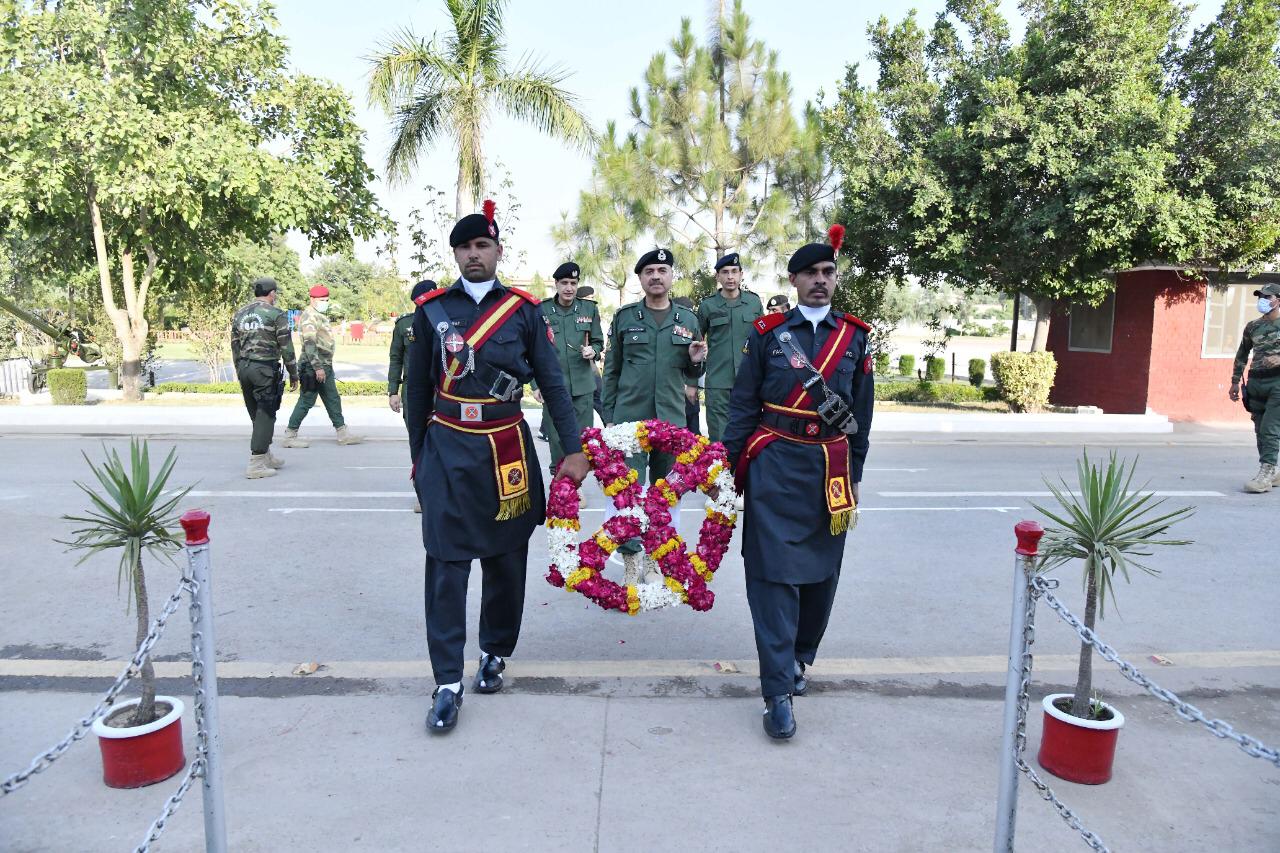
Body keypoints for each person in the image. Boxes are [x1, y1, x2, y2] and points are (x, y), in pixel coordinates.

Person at [403, 201, 589, 734]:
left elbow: (553, 384)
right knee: (445, 567)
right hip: (447, 446)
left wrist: (571, 448)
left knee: (506, 564)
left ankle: (495, 652)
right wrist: (419, 457)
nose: (473, 254)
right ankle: (446, 681)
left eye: (482, 245)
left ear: (498, 250)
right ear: (456, 254)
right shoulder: (432, 311)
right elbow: (417, 389)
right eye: (464, 247)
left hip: (506, 447)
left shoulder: (524, 312)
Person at [722, 226, 873, 739]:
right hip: (773, 463)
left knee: (821, 576)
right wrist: (729, 466)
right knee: (771, 576)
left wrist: (854, 475)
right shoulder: (767, 335)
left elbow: (862, 420)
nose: (821, 280)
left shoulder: (855, 337)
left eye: (828, 272)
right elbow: (743, 403)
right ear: (793, 279)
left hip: (830, 469)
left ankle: (800, 657)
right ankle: (777, 691)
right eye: (810, 272)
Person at [602, 248, 707, 582]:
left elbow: (693, 372)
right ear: (641, 279)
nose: (656, 276)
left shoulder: (688, 321)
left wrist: (694, 360)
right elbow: (611, 370)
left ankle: (655, 556)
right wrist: (609, 415)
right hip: (630, 418)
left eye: (663, 270)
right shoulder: (625, 317)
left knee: (666, 492)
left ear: (671, 276)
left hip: (671, 420)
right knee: (628, 491)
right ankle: (632, 558)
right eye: (650, 271)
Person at [531, 262, 603, 474]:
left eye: (573, 283)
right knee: (556, 437)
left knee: (582, 437)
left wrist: (594, 351)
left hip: (583, 385)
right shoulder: (541, 310)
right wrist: (535, 384)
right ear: (556, 284)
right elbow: (532, 350)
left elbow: (598, 341)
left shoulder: (589, 309)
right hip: (553, 386)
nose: (569, 288)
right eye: (564, 283)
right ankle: (559, 481)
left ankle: (576, 483)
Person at [230, 277, 299, 478]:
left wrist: (239, 369)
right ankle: (256, 463)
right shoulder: (276, 315)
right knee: (266, 414)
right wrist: (293, 373)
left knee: (256, 414)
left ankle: (266, 455)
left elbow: (235, 345)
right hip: (264, 368)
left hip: (245, 367)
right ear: (272, 293)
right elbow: (286, 346)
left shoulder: (240, 314)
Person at [281, 285, 363, 447]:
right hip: (313, 367)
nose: (325, 302)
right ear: (312, 299)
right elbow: (310, 343)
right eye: (322, 300)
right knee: (307, 400)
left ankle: (342, 432)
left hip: (324, 366)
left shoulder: (318, 315)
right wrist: (317, 367)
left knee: (332, 398)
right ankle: (290, 436)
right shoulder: (309, 316)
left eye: (326, 300)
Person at [696, 253, 764, 442]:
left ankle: (746, 472)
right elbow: (695, 343)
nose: (730, 277)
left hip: (749, 379)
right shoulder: (707, 306)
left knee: (750, 433)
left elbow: (764, 340)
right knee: (719, 437)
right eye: (725, 272)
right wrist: (691, 381)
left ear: (741, 274)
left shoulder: (753, 303)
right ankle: (721, 472)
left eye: (734, 271)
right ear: (717, 276)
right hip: (718, 382)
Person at [389, 280, 437, 512]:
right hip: (413, 392)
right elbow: (396, 358)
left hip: (443, 392)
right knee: (418, 443)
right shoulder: (405, 324)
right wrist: (392, 391)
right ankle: (422, 494)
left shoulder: (448, 324)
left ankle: (443, 493)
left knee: (443, 443)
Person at [1229, 282, 1280, 493]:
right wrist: (1234, 381)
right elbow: (1242, 354)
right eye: (1261, 296)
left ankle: (1265, 473)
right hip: (1256, 382)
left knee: (1269, 429)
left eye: (1267, 297)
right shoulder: (1253, 326)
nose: (1263, 300)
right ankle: (1272, 470)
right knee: (1260, 429)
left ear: (1278, 299)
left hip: (1278, 383)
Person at [672, 295, 703, 434]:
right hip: (670, 389)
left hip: (688, 387)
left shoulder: (693, 329)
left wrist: (691, 384)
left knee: (693, 432)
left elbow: (701, 360)